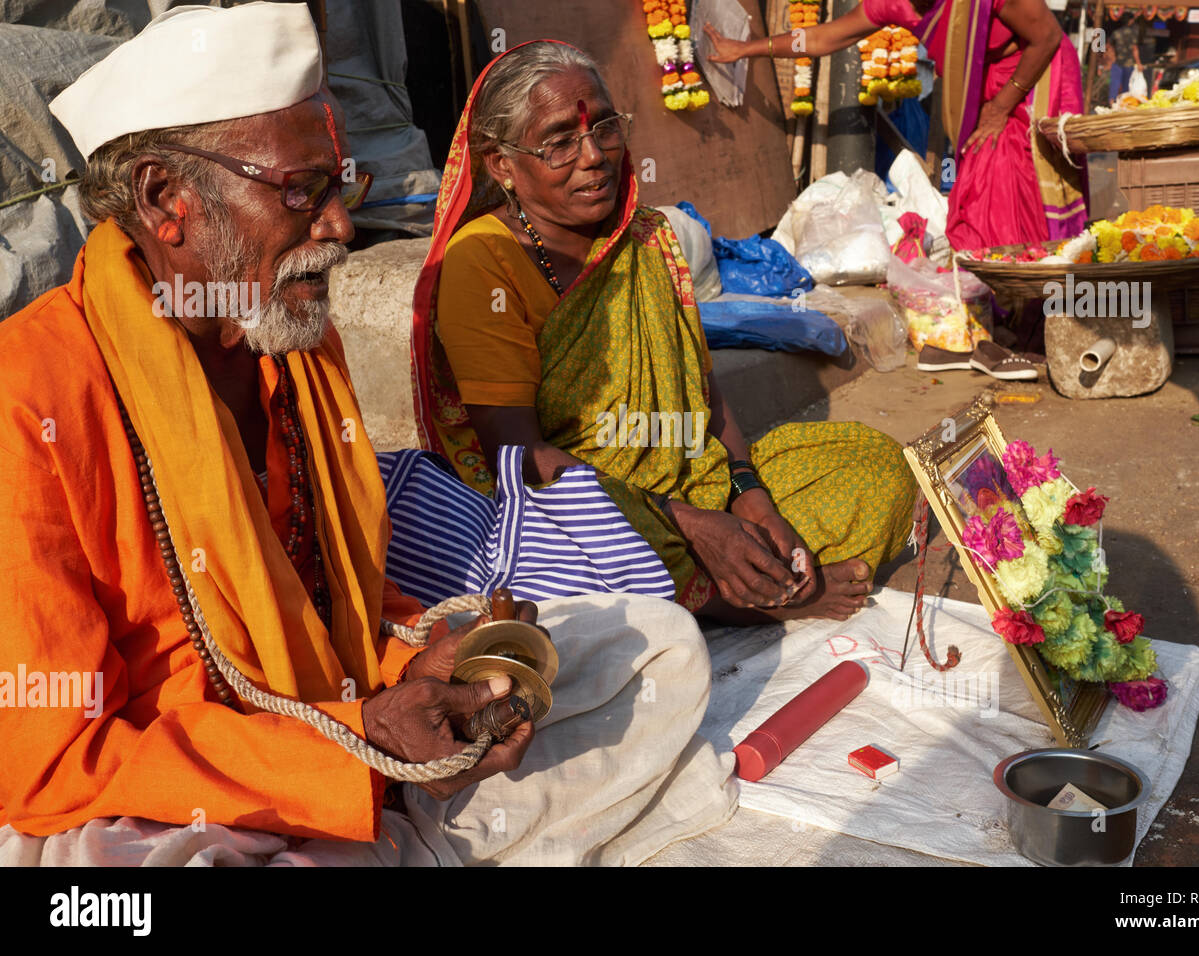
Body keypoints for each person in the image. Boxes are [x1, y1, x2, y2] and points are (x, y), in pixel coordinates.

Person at [0, 3, 734, 867]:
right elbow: (48, 764)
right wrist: (353, 743)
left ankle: (393, 831)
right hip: (178, 796)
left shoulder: (288, 336)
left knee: (655, 651)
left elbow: (337, 603)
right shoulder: (28, 395)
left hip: (341, 735)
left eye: (341, 187)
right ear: (167, 198)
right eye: (301, 192)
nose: (342, 228)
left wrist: (419, 661)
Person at [412, 41, 918, 625]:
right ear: (502, 164)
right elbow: (517, 460)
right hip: (584, 511)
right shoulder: (485, 261)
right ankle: (742, 600)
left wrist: (749, 494)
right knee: (563, 572)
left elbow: (705, 394)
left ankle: (740, 585)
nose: (594, 156)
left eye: (604, 128)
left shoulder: (647, 236)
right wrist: (693, 525)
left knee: (877, 467)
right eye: (559, 142)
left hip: (688, 475)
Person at [703, 0, 1087, 253]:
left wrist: (1002, 106)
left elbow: (1048, 36)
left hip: (1035, 72)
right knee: (982, 184)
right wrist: (746, 49)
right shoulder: (894, 3)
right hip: (985, 83)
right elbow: (822, 37)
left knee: (1010, 177)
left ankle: (1035, 288)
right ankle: (1000, 296)